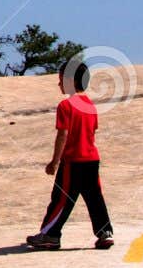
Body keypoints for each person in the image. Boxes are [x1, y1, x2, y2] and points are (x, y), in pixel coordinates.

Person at [26, 57, 114, 250]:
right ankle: (105, 233)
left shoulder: (66, 106)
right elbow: (91, 132)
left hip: (73, 161)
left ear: (71, 81)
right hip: (91, 159)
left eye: (61, 79)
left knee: (61, 198)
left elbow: (63, 134)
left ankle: (50, 235)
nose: (59, 83)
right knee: (94, 197)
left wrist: (54, 162)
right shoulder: (90, 105)